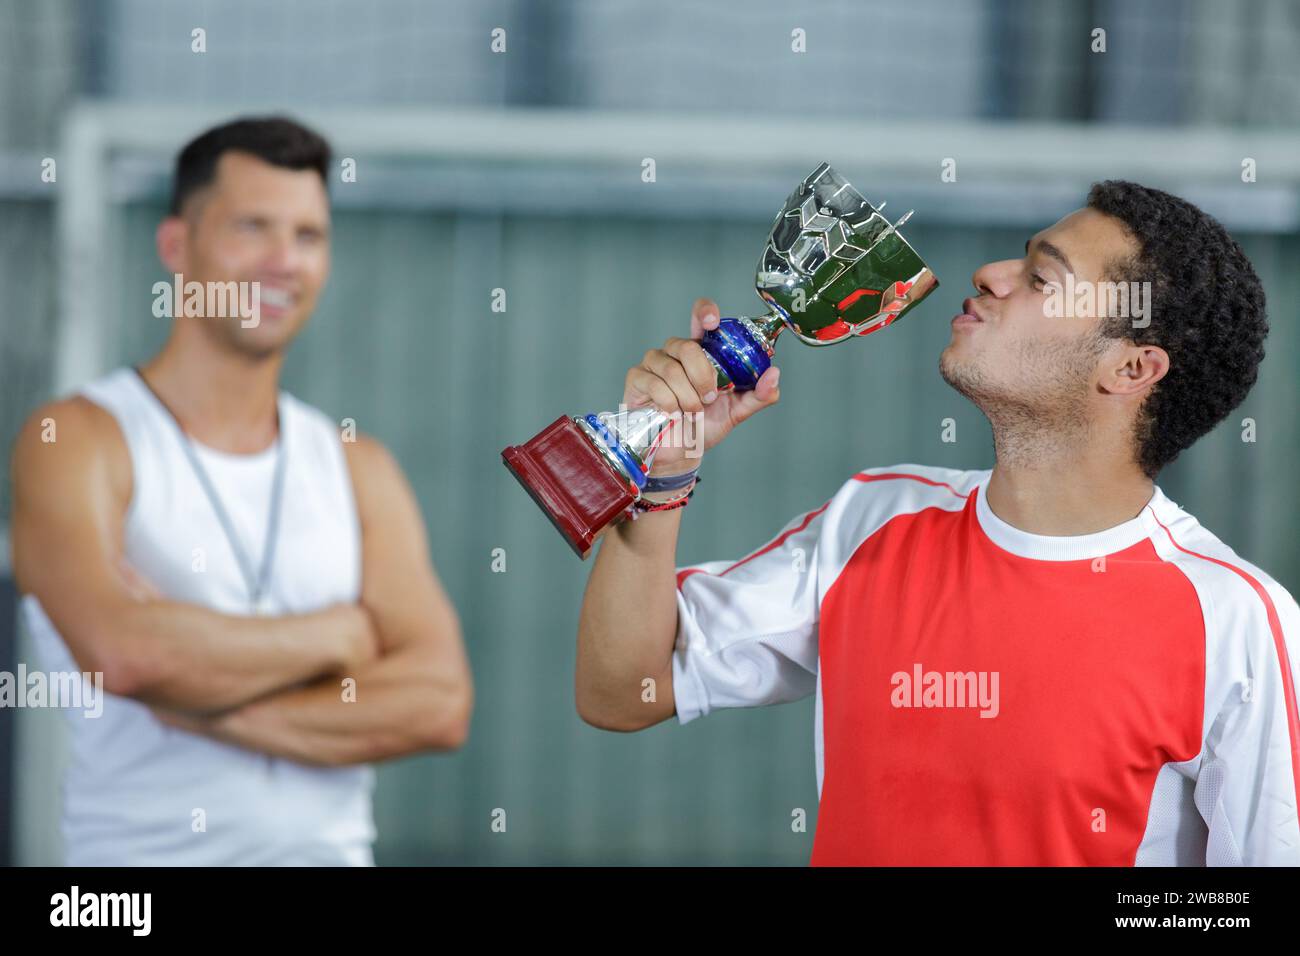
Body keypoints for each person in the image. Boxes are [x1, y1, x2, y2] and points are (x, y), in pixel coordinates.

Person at [575, 180, 1299, 865]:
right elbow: (618, 691)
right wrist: (662, 478)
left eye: (1042, 279)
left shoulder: (1235, 623)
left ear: (1132, 370)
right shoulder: (873, 520)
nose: (989, 273)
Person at [10, 116, 472, 865]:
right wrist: (340, 636)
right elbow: (123, 657)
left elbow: (440, 703)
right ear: (175, 247)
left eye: (309, 236)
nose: (283, 262)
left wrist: (200, 700)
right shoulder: (79, 439)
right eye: (252, 227)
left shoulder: (358, 465)